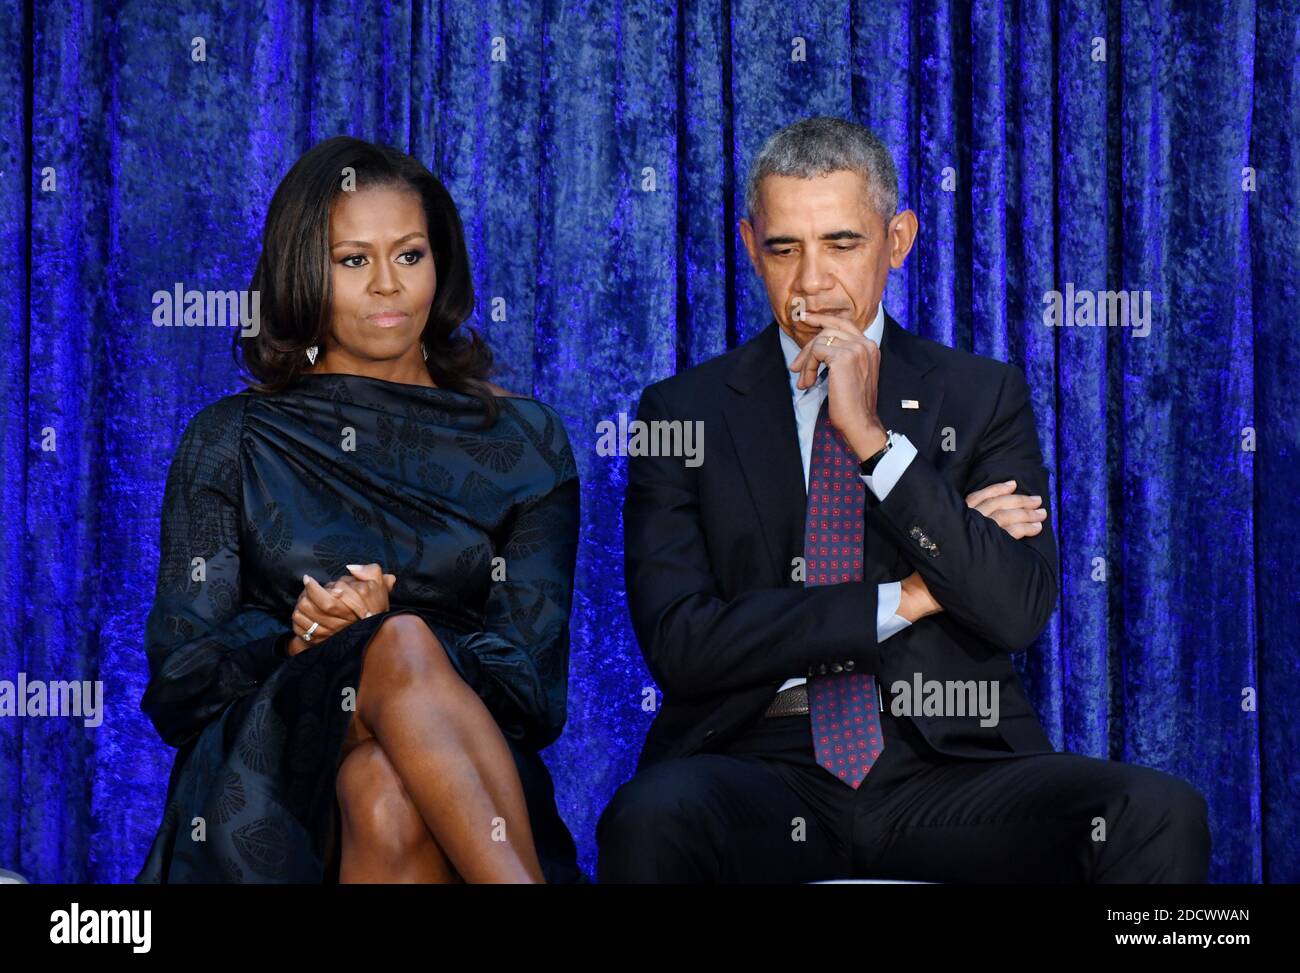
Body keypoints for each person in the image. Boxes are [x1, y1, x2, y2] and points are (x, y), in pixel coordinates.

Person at [598, 116, 1210, 883]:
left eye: (842, 243)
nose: (812, 280)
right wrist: (912, 595)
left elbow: (1014, 604)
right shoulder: (681, 411)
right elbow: (683, 642)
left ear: (898, 239)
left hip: (949, 766)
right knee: (649, 818)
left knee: (1156, 812)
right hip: (758, 763)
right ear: (750, 245)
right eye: (785, 247)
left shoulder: (981, 394)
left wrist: (875, 445)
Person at [136, 136, 582, 884]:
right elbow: (183, 679)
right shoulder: (230, 439)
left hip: (468, 780)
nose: (387, 285)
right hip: (268, 778)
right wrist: (307, 644)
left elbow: (533, 693)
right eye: (353, 261)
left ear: (440, 269)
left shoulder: (525, 442)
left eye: (409, 255)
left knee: (384, 789)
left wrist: (389, 640)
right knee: (393, 643)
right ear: (303, 270)